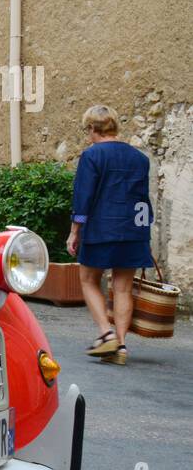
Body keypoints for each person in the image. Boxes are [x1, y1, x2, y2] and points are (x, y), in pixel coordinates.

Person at [66, 105, 153, 366]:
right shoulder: (140, 158)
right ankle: (122, 346)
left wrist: (74, 233)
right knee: (123, 287)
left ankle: (106, 333)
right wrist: (144, 229)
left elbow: (83, 197)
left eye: (88, 130)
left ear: (93, 128)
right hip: (134, 230)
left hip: (102, 229)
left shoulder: (92, 156)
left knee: (88, 280)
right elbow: (142, 199)